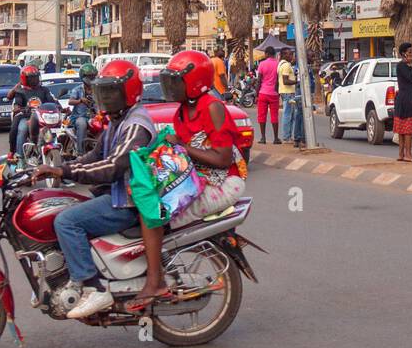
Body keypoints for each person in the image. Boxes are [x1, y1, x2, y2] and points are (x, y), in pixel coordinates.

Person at [31, 59, 158, 319]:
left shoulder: (136, 125)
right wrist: (59, 167)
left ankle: (92, 286)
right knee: (62, 204)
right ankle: (72, 276)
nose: (105, 99)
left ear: (128, 93)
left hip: (128, 201)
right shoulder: (118, 120)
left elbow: (112, 167)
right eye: (103, 93)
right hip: (115, 194)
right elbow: (94, 156)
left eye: (111, 93)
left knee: (66, 221)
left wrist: (64, 171)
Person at [132, 50, 250, 306]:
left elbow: (222, 158)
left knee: (155, 215)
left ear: (194, 82)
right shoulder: (182, 111)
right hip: (198, 180)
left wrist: (183, 148)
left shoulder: (213, 107)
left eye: (176, 82)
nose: (170, 87)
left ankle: (155, 281)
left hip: (223, 182)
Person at [8, 65, 56, 155]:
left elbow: (51, 101)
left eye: (36, 77)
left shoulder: (44, 90)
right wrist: (19, 108)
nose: (34, 80)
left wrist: (59, 107)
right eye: (31, 78)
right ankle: (20, 157)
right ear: (25, 79)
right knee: (22, 129)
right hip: (26, 117)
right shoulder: (20, 91)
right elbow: (17, 104)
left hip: (42, 117)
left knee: (57, 128)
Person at [393, 42, 412, 163]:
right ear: (404, 54)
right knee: (407, 129)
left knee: (404, 128)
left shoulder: (405, 65)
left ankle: (402, 154)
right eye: (409, 52)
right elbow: (409, 78)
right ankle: (407, 154)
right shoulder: (402, 66)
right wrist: (411, 65)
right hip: (405, 100)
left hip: (406, 98)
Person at [255, 48, 281, 145]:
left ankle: (263, 138)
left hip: (263, 93)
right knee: (274, 116)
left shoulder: (262, 64)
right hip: (274, 93)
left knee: (262, 115)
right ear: (274, 54)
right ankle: (276, 138)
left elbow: (259, 80)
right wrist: (278, 92)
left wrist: (257, 94)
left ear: (266, 54)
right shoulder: (278, 64)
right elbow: (278, 80)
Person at [278, 48, 299, 146]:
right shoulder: (286, 65)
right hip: (288, 92)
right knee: (288, 115)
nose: (292, 57)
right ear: (285, 55)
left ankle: (288, 136)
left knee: (290, 115)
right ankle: (286, 137)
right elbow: (285, 81)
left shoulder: (281, 64)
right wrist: (297, 81)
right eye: (290, 55)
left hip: (284, 92)